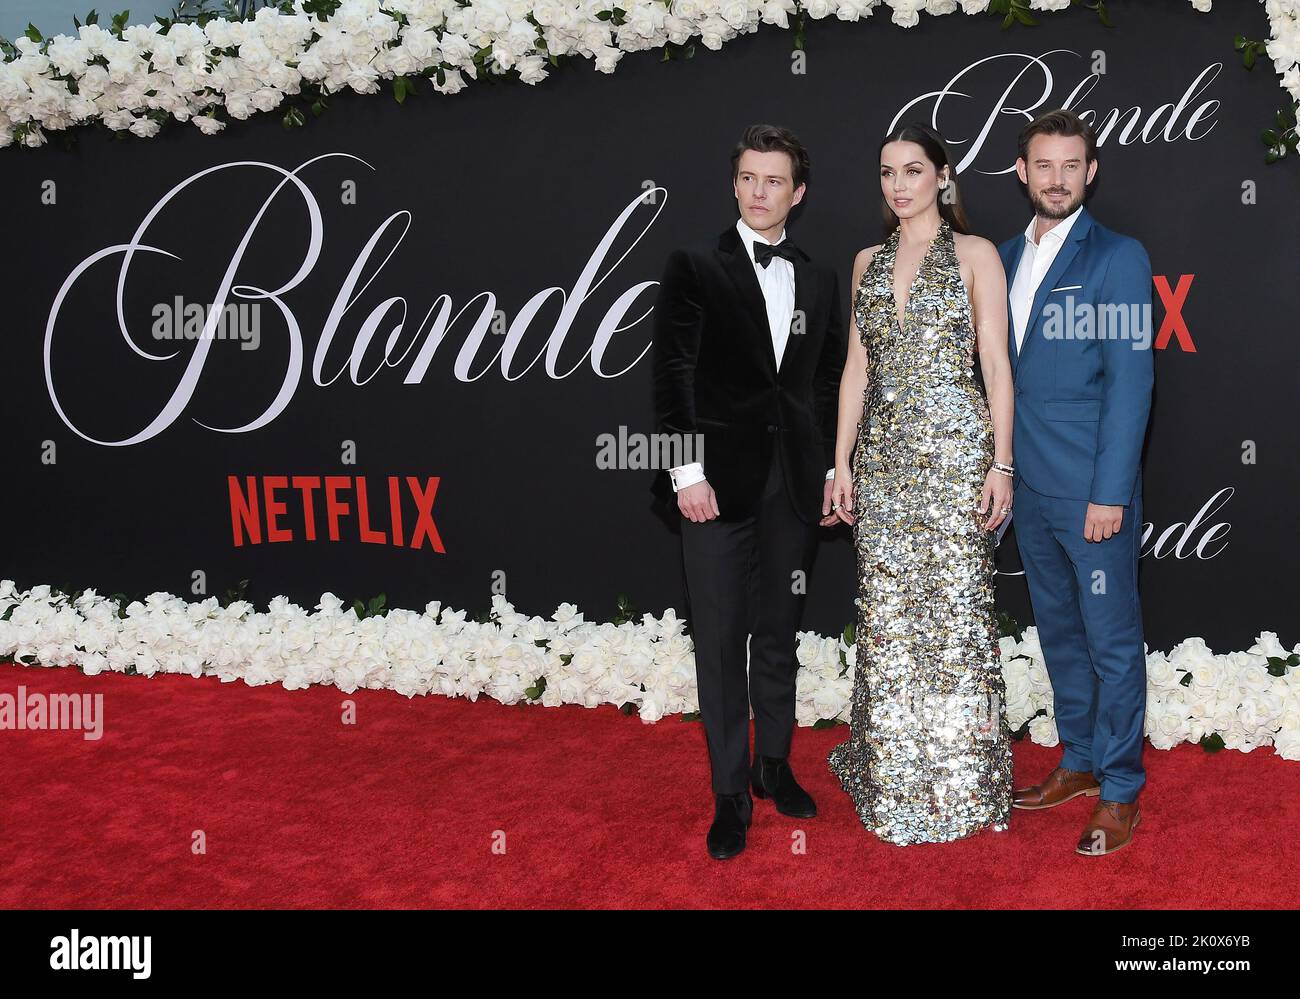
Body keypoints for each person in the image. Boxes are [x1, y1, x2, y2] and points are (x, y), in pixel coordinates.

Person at [651, 123, 846, 860]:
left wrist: (829, 467)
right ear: (735, 184)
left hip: (792, 486)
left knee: (777, 634)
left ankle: (774, 765)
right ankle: (729, 792)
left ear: (797, 193)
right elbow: (670, 375)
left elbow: (825, 386)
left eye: (775, 181)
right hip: (713, 485)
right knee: (720, 640)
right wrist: (685, 473)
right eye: (748, 179)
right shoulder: (695, 264)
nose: (760, 193)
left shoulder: (820, 277)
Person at [825, 122, 1016, 845]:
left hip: (956, 461)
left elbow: (995, 365)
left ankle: (964, 779)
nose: (898, 184)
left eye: (912, 170)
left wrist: (1002, 462)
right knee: (892, 624)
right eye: (886, 172)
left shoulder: (976, 255)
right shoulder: (864, 261)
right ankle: (895, 773)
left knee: (957, 623)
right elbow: (855, 370)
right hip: (881, 463)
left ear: (943, 175)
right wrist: (840, 461)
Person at [997, 109, 1154, 857]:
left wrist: (1111, 493)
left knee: (1112, 641)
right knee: (1059, 633)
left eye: (1071, 166)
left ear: (1090, 173)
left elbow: (1131, 384)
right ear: (1022, 172)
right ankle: (1081, 761)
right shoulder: (998, 258)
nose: (1056, 179)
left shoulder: (1117, 258)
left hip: (1091, 488)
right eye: (1043, 165)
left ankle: (1121, 789)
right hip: (1024, 487)